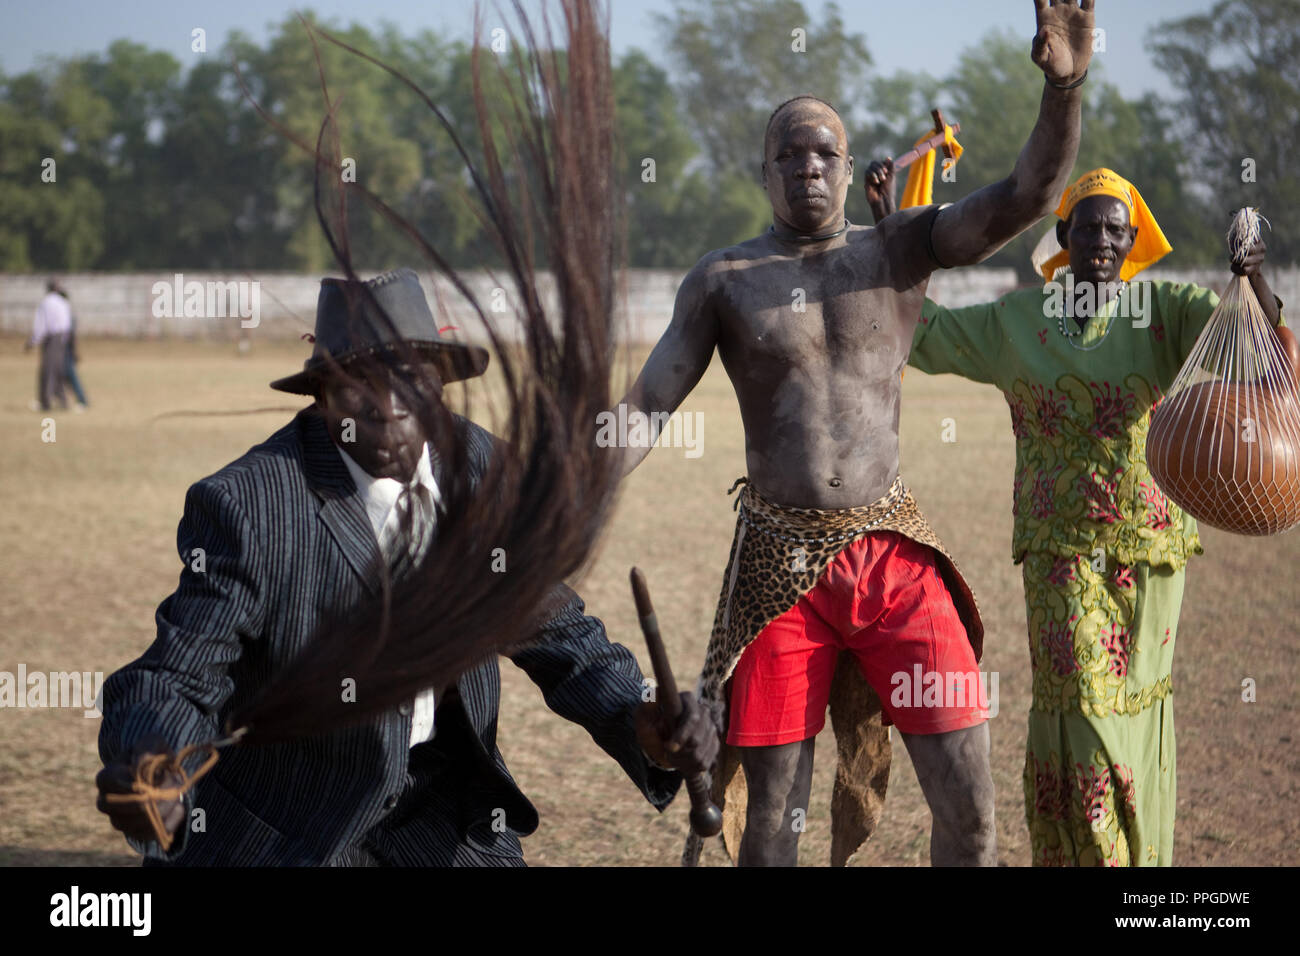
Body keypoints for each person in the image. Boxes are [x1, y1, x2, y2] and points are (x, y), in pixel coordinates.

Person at [612, 0, 1099, 866]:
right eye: (789, 153)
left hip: (894, 555)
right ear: (764, 171)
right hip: (778, 574)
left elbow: (1029, 195)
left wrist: (1064, 88)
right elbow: (645, 407)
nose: (809, 165)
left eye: (825, 152)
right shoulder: (722, 280)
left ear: (846, 168)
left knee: (973, 817)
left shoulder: (900, 249)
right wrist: (567, 490)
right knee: (769, 833)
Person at [96, 268, 717, 866]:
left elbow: (566, 642)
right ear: (321, 394)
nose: (388, 405)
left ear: (441, 383)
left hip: (437, 815)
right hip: (288, 823)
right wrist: (151, 758)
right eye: (356, 382)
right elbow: (180, 673)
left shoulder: (484, 477)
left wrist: (643, 721)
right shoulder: (251, 505)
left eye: (409, 379)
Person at [867, 162, 1292, 865]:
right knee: (1087, 712)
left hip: (1154, 556)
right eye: (1087, 224)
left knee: (1135, 708)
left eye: (1114, 228)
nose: (1101, 237)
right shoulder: (1017, 322)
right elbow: (927, 331)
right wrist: (894, 236)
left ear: (1131, 241)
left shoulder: (1167, 311)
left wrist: (1250, 277)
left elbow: (1260, 350)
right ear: (1063, 234)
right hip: (1061, 556)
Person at [26, 279, 72, 411]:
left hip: (50, 339)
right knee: (58, 370)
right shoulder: (63, 302)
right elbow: (67, 324)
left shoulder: (46, 303)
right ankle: (63, 401)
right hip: (62, 339)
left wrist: (33, 341)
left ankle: (45, 403)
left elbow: (40, 326)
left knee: (47, 371)